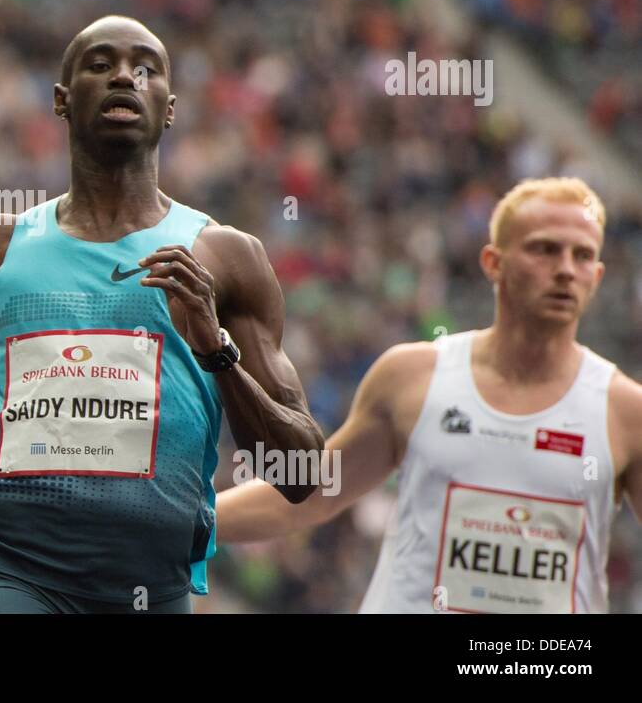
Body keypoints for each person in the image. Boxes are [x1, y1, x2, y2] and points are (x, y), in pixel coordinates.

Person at [0, 15, 324, 613]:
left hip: (152, 589)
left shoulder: (227, 258)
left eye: (145, 68)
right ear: (61, 99)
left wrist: (217, 354)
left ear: (169, 108)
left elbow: (300, 472)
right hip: (11, 570)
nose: (124, 78)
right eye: (100, 63)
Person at [216, 177, 642, 613]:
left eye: (583, 255)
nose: (566, 269)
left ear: (598, 276)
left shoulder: (626, 411)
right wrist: (188, 521)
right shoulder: (415, 377)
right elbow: (308, 495)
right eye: (545, 249)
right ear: (494, 262)